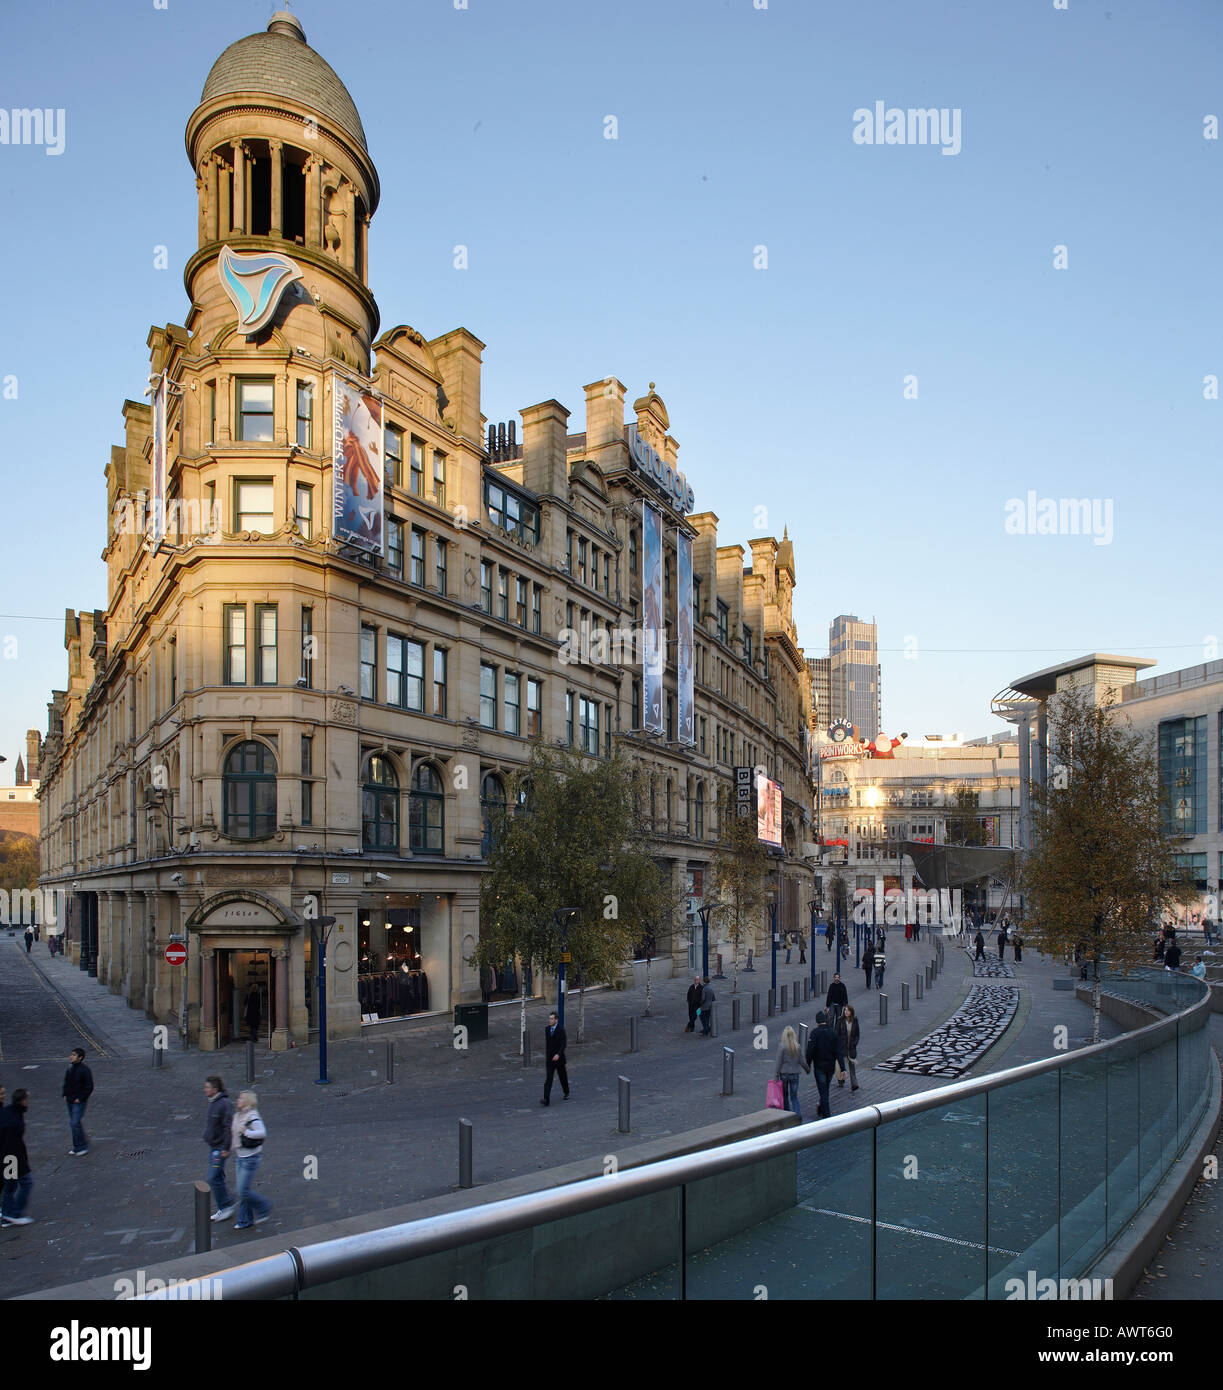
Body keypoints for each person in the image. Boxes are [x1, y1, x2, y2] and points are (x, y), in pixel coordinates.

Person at [230, 1090, 273, 1230]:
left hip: (251, 1158)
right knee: (244, 1190)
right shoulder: (237, 1115)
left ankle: (264, 1206)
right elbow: (234, 1135)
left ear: (247, 1101)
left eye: (241, 1098)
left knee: (242, 1191)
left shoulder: (252, 1116)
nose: (238, 1100)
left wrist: (246, 1132)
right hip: (240, 1156)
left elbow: (262, 1133)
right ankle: (244, 1220)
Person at [203, 1076, 236, 1222]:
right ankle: (225, 1205)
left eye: (207, 1087)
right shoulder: (213, 1102)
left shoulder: (224, 1104)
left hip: (219, 1148)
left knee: (212, 1178)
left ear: (215, 1089)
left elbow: (228, 1127)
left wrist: (226, 1147)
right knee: (218, 1177)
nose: (205, 1089)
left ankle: (226, 1205)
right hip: (213, 1146)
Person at [0, 1089, 33, 1227]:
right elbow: (12, 1146)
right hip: (12, 1159)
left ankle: (8, 1214)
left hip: (9, 1158)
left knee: (10, 1186)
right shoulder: (14, 1121)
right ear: (23, 1101)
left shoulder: (9, 1111)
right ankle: (13, 1214)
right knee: (25, 1183)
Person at [804, 1011, 847, 1119]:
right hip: (830, 1067)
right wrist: (843, 1068)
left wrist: (808, 1064)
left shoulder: (815, 1033)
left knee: (823, 1091)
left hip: (819, 1067)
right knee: (825, 1088)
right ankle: (821, 1108)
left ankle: (827, 1116)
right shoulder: (832, 1033)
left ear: (817, 1021)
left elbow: (810, 1051)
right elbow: (838, 1052)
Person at [773, 1025, 809, 1121]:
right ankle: (797, 1114)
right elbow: (802, 1061)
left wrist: (776, 1076)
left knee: (785, 1096)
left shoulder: (782, 1046)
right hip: (795, 1074)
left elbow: (778, 1062)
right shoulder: (797, 1046)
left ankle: (787, 1114)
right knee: (794, 1096)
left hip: (784, 1074)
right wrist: (807, 1069)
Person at [62, 1046, 93, 1156]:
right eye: (71, 1054)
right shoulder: (70, 1068)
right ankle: (78, 1146)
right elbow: (66, 1083)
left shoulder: (85, 1070)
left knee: (74, 1123)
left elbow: (89, 1086)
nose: (71, 1056)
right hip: (70, 1100)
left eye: (74, 1055)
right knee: (75, 1123)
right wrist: (65, 1094)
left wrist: (80, 1098)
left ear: (80, 1058)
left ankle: (81, 1146)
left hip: (79, 1101)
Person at [541, 1011, 569, 1104]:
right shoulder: (547, 1029)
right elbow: (548, 1044)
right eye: (549, 1018)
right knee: (548, 1079)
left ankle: (566, 1092)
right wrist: (548, 1056)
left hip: (559, 1059)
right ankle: (546, 1099)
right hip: (550, 1059)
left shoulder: (561, 1030)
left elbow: (563, 1044)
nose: (550, 1020)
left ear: (556, 1020)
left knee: (562, 1077)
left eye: (552, 1019)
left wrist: (558, 1054)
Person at [836, 1003, 861, 1091]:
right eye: (845, 1010)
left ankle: (854, 1083)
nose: (846, 1012)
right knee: (841, 1064)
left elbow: (857, 1034)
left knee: (852, 1064)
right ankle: (841, 1080)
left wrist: (854, 1043)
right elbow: (837, 1034)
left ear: (851, 1012)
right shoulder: (840, 1020)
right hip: (842, 1046)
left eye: (848, 1010)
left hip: (851, 1046)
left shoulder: (855, 1020)